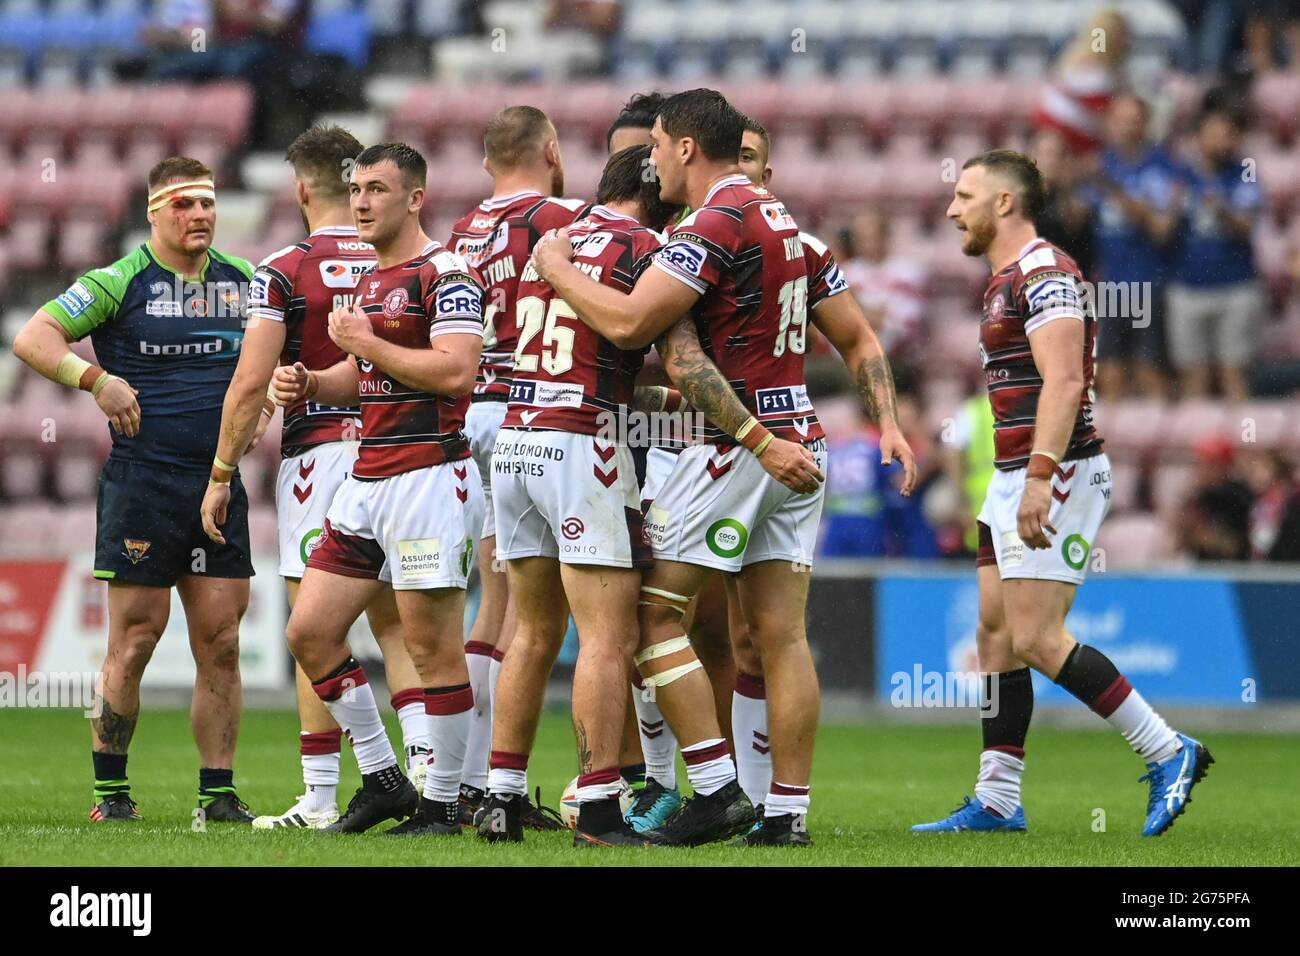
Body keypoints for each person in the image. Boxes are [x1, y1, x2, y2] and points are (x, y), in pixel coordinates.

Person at [532, 89, 831, 846]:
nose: (652, 161)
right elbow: (850, 335)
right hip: (799, 435)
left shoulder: (709, 223)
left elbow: (641, 326)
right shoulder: (782, 219)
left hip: (736, 446)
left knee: (648, 615)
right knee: (782, 634)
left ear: (687, 148)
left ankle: (716, 788)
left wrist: (557, 267)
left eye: (658, 146)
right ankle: (786, 815)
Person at [913, 149, 1212, 837]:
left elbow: (1067, 380)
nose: (952, 209)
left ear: (1005, 203)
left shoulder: (1045, 272)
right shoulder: (1004, 281)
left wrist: (1041, 476)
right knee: (995, 634)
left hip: (1058, 470)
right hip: (1012, 474)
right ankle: (997, 798)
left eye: (965, 196)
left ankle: (1168, 750)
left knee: (1036, 638)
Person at [199, 125, 432, 829]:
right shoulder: (404, 259)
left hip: (321, 457)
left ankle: (324, 794)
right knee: (399, 625)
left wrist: (221, 470)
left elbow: (251, 382)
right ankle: (430, 774)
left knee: (313, 625)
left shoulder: (285, 267)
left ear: (300, 188)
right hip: (401, 451)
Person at [12, 157, 257, 823]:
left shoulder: (244, 282)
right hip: (144, 484)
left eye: (207, 203)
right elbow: (32, 337)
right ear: (154, 213)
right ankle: (111, 796)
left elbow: (272, 358)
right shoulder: (119, 281)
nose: (199, 214)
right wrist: (95, 380)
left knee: (222, 643)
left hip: (217, 485)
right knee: (136, 639)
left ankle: (217, 796)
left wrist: (261, 403)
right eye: (183, 204)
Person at [271, 143, 486, 834]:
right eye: (356, 189)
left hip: (428, 477)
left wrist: (366, 344)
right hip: (367, 479)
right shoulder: (369, 280)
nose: (360, 202)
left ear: (416, 198)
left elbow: (456, 372)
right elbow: (362, 381)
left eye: (377, 190)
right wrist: (311, 380)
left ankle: (443, 805)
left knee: (430, 648)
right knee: (309, 631)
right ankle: (385, 779)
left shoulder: (445, 273)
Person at [476, 145, 683, 847]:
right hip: (582, 446)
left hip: (518, 438)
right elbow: (627, 333)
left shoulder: (552, 242)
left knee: (532, 632)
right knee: (608, 637)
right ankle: (598, 806)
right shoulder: (645, 247)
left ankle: (500, 797)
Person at [445, 106, 585, 829]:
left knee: (493, 600)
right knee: (535, 613)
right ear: (551, 150)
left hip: (469, 414)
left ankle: (473, 779)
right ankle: (494, 780)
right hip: (528, 413)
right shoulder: (561, 217)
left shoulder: (461, 231)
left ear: (487, 161)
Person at [1166, 101, 1263, 401]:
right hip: (1188, 286)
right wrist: (1172, 206)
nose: (1225, 140)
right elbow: (1162, 231)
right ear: (1198, 137)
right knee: (1194, 376)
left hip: (1236, 286)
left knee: (1234, 373)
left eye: (1229, 134)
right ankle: (1196, 433)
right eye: (1217, 133)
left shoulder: (1244, 172)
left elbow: (1248, 226)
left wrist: (1222, 210)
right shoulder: (1180, 175)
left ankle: (1243, 432)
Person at [1085, 92, 1177, 400]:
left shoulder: (1159, 166)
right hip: (1110, 282)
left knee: (1147, 368)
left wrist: (1113, 189)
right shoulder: (1100, 164)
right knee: (1109, 370)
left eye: (1133, 120)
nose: (1126, 127)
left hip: (1146, 282)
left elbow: (1161, 229)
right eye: (1120, 119)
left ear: (1145, 124)